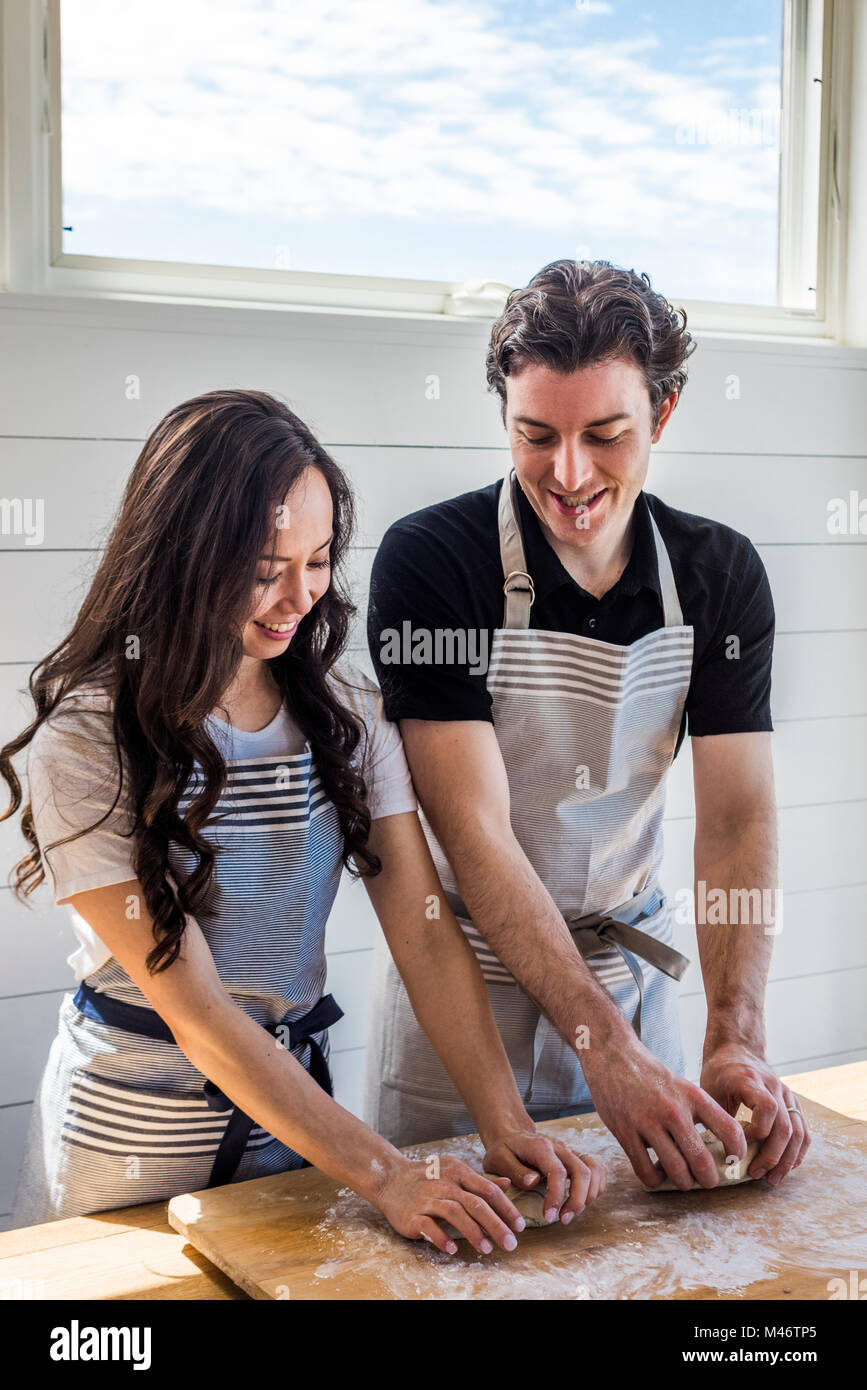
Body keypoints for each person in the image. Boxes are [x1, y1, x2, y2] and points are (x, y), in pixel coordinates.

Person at [1, 388, 605, 1249]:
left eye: (317, 561)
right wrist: (388, 1173)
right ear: (179, 554)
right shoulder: (89, 740)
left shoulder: (348, 714)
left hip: (293, 1130)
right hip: (128, 1142)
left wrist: (506, 1125)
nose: (298, 598)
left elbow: (426, 935)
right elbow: (200, 1010)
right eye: (261, 569)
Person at [364, 259, 810, 1191]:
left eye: (605, 436)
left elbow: (735, 824)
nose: (568, 476)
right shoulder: (433, 562)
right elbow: (472, 834)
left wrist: (735, 1038)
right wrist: (600, 1052)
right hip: (464, 1006)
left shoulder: (718, 576)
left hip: (630, 985)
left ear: (665, 413)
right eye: (536, 436)